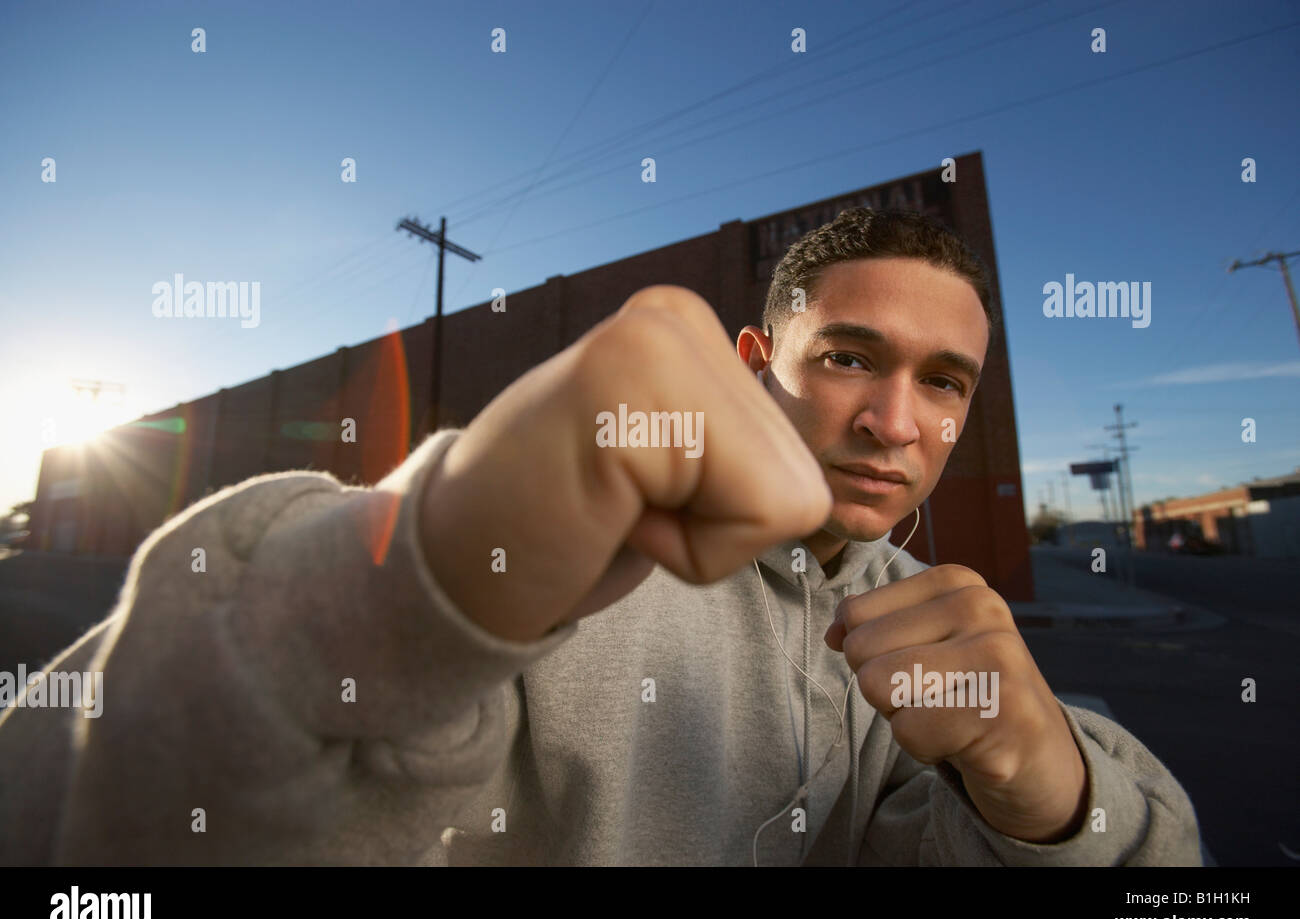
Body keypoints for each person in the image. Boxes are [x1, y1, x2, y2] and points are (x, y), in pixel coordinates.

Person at [0, 208, 1201, 865]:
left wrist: (1050, 805)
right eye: (847, 357)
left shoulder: (919, 620)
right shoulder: (571, 558)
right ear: (754, 365)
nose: (895, 421)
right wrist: (430, 579)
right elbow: (60, 823)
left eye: (945, 383)